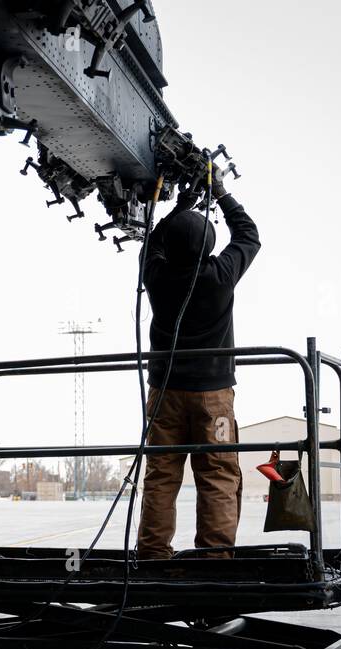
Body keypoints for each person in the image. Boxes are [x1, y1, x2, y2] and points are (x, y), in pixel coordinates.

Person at [137, 165, 260, 559]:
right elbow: (249, 235)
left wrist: (183, 203)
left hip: (165, 394)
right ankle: (214, 559)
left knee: (161, 476)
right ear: (208, 245)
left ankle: (154, 555)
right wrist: (221, 193)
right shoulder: (220, 274)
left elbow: (151, 244)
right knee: (218, 475)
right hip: (213, 399)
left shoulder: (156, 274)